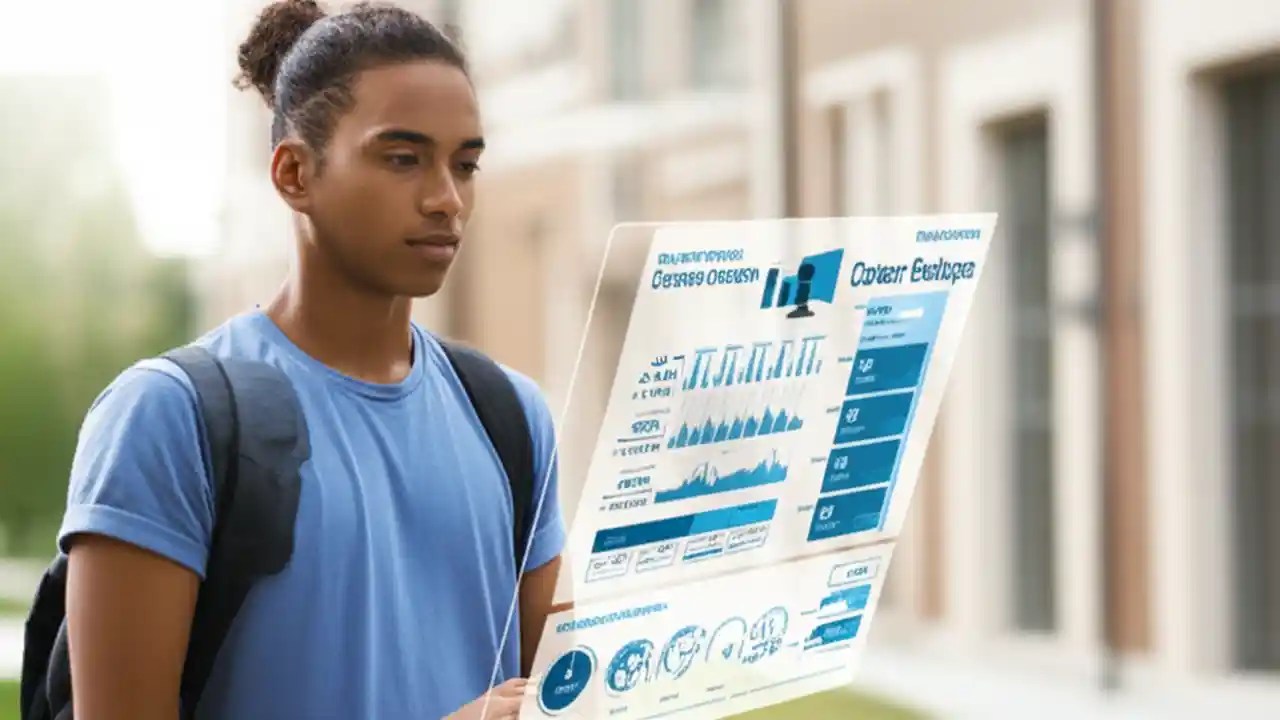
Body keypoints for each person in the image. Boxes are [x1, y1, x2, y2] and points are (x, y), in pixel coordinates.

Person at [55, 1, 566, 718]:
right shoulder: (168, 417)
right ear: (295, 173)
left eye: (466, 164)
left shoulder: (512, 415)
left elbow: (570, 693)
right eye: (402, 159)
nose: (447, 199)